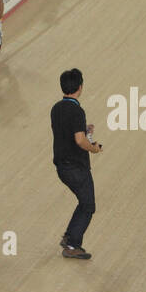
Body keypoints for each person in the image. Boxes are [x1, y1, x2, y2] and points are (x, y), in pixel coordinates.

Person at [52, 68, 102, 260]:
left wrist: (83, 129)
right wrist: (94, 148)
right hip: (76, 167)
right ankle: (72, 246)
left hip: (62, 166)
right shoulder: (77, 110)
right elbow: (80, 141)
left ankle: (69, 236)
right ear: (80, 87)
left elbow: (69, 132)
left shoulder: (56, 108)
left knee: (84, 203)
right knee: (88, 205)